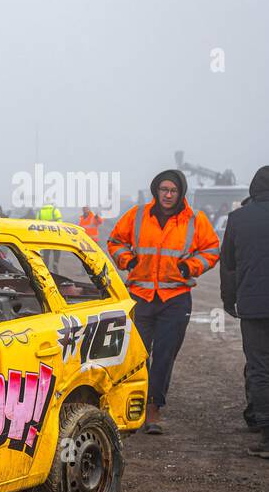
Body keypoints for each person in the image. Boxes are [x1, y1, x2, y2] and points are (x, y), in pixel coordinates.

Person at [108, 170, 220, 434]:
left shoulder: (195, 219)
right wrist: (128, 260)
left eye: (173, 190)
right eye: (164, 190)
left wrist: (189, 268)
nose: (168, 195)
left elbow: (212, 249)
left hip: (175, 297)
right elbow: (115, 241)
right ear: (156, 191)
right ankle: (133, 406)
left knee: (164, 355)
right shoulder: (137, 215)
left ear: (180, 193)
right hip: (141, 295)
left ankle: (153, 409)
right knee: (137, 354)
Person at [219, 166, 269, 458]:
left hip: (253, 306)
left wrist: (229, 299)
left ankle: (265, 431)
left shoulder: (238, 219)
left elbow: (229, 265)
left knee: (260, 367)